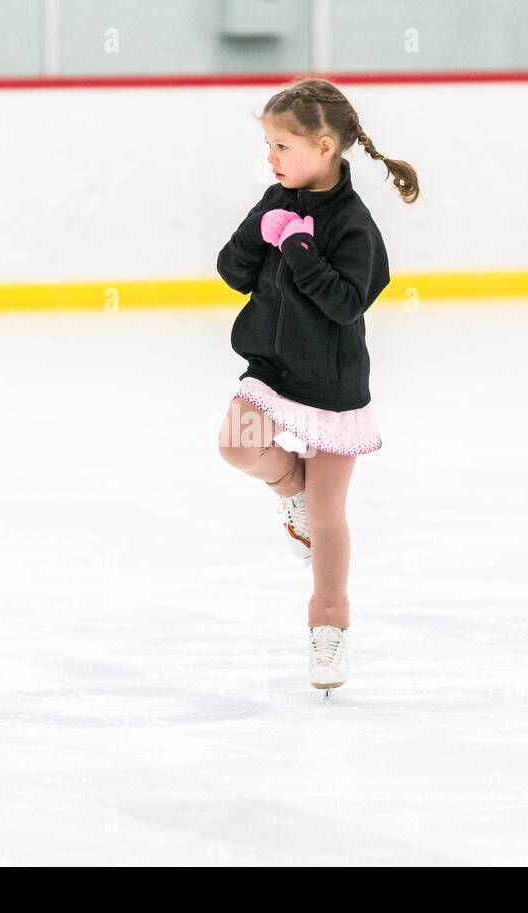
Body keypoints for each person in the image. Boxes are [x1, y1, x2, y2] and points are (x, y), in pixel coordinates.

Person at [215, 75, 418, 697]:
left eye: (282, 146)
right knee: (238, 444)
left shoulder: (356, 228)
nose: (271, 158)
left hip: (330, 382)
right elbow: (231, 271)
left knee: (329, 516)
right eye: (269, 145)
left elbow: (344, 303)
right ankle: (290, 495)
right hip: (272, 368)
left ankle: (328, 628)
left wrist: (299, 248)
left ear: (326, 146)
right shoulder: (276, 196)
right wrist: (261, 231)